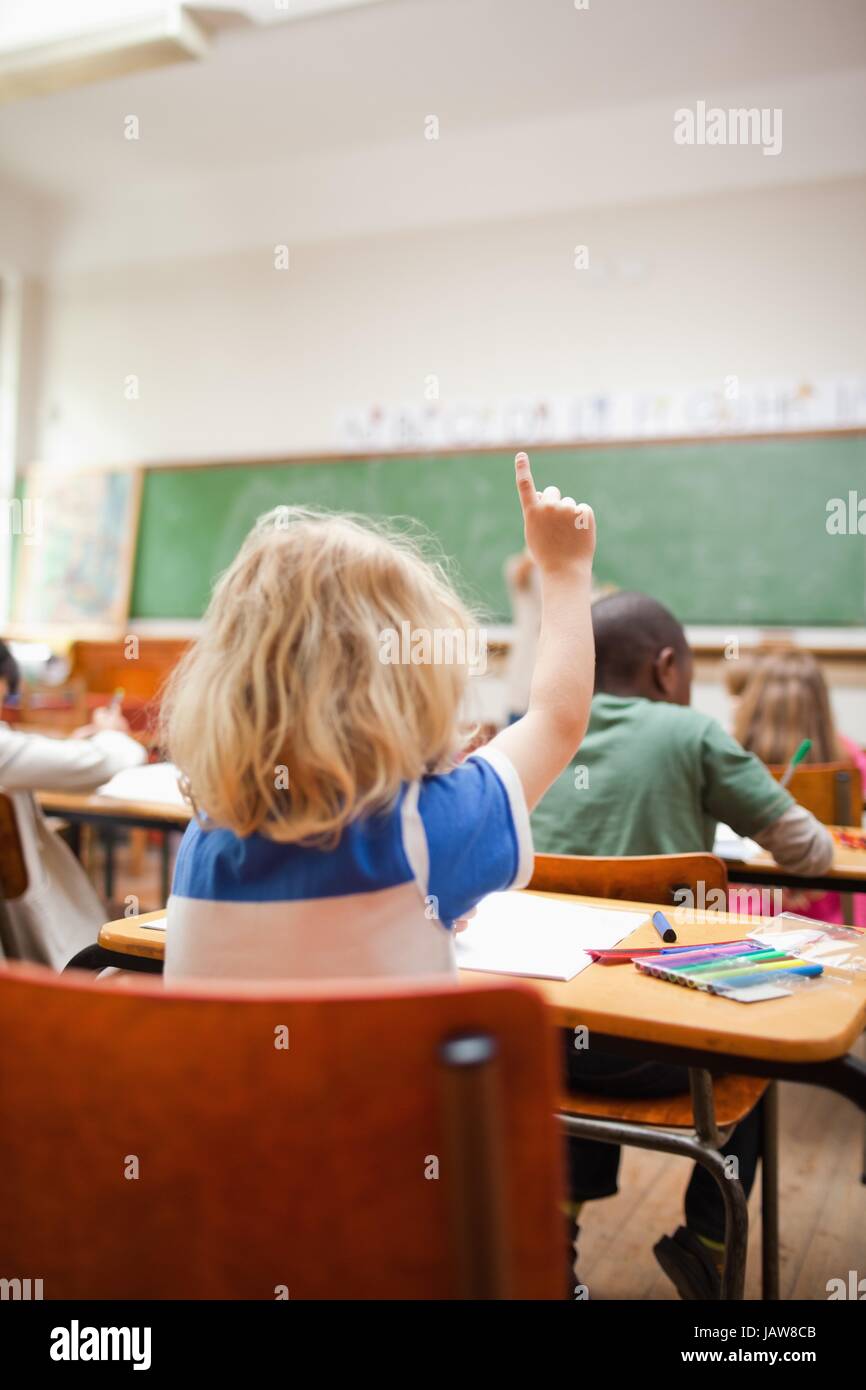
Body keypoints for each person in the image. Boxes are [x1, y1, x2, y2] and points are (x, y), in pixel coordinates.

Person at [160, 454, 596, 985]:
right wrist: (565, 570)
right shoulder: (427, 824)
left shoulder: (202, 838)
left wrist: (413, 911)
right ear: (411, 685)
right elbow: (557, 718)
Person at [530, 592, 833, 1299]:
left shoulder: (535, 734)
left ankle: (552, 1236)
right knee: (753, 1036)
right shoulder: (690, 733)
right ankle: (708, 1237)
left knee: (589, 1008)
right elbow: (810, 850)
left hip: (540, 1042)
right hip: (670, 1057)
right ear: (668, 668)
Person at [0, 640, 146, 968]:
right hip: (51, 942)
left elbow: (20, 750)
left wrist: (75, 744)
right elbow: (109, 761)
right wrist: (112, 734)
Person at [731, 644, 866, 926]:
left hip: (750, 911)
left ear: (753, 701)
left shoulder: (734, 760)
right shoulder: (852, 762)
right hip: (836, 912)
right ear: (820, 702)